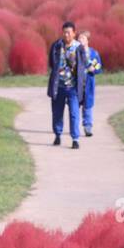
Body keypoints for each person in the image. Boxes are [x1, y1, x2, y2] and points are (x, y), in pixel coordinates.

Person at [47, 20, 86, 150]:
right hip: (59, 87)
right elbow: (52, 63)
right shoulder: (56, 46)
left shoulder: (79, 48)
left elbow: (83, 66)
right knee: (57, 113)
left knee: (74, 113)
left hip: (73, 88)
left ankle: (75, 139)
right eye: (64, 33)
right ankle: (57, 135)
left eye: (68, 33)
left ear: (74, 33)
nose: (66, 35)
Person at [78, 31, 102, 139]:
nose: (80, 40)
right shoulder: (75, 52)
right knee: (75, 106)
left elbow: (99, 66)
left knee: (87, 106)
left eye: (82, 38)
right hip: (77, 84)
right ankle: (75, 127)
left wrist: (94, 69)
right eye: (79, 38)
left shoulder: (93, 53)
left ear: (87, 40)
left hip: (88, 84)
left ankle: (87, 127)